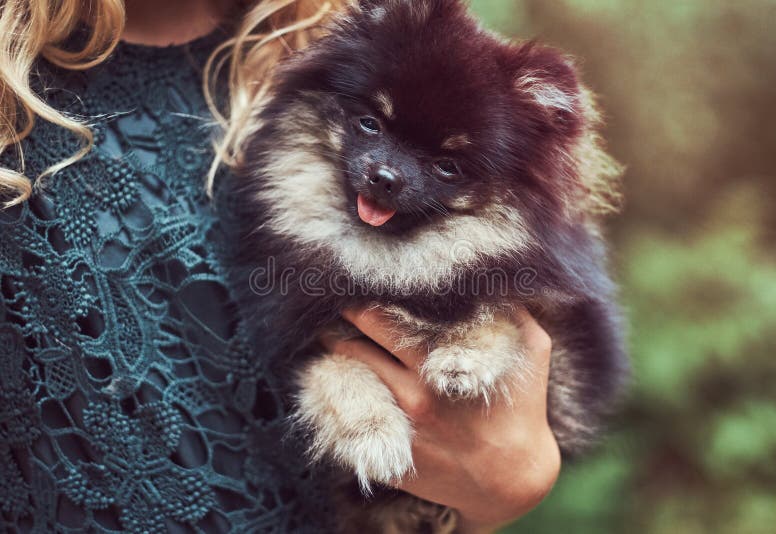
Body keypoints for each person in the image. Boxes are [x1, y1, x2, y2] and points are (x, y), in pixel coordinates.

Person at [0, 0, 560, 532]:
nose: (388, 173)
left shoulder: (338, 29)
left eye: (442, 164)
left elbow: (464, 478)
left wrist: (505, 488)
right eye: (370, 126)